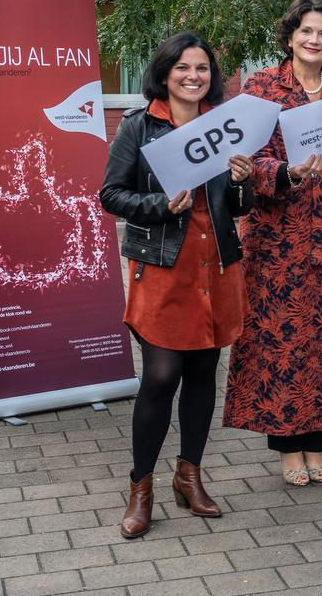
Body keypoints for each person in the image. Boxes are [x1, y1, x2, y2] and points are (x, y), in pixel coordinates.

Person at [100, 32, 255, 539]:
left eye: (203, 69)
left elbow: (238, 206)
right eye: (184, 68)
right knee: (162, 375)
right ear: (164, 74)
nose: (194, 77)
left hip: (217, 266)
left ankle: (189, 475)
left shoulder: (225, 126)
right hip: (164, 268)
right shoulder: (139, 126)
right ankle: (140, 487)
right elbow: (112, 195)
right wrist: (159, 206)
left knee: (204, 371)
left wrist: (240, 181)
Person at [222, 0, 322, 487]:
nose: (314, 39)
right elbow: (243, 158)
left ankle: (317, 444)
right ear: (290, 36)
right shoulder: (261, 88)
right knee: (280, 345)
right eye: (306, 31)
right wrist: (285, 171)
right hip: (276, 240)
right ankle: (288, 448)